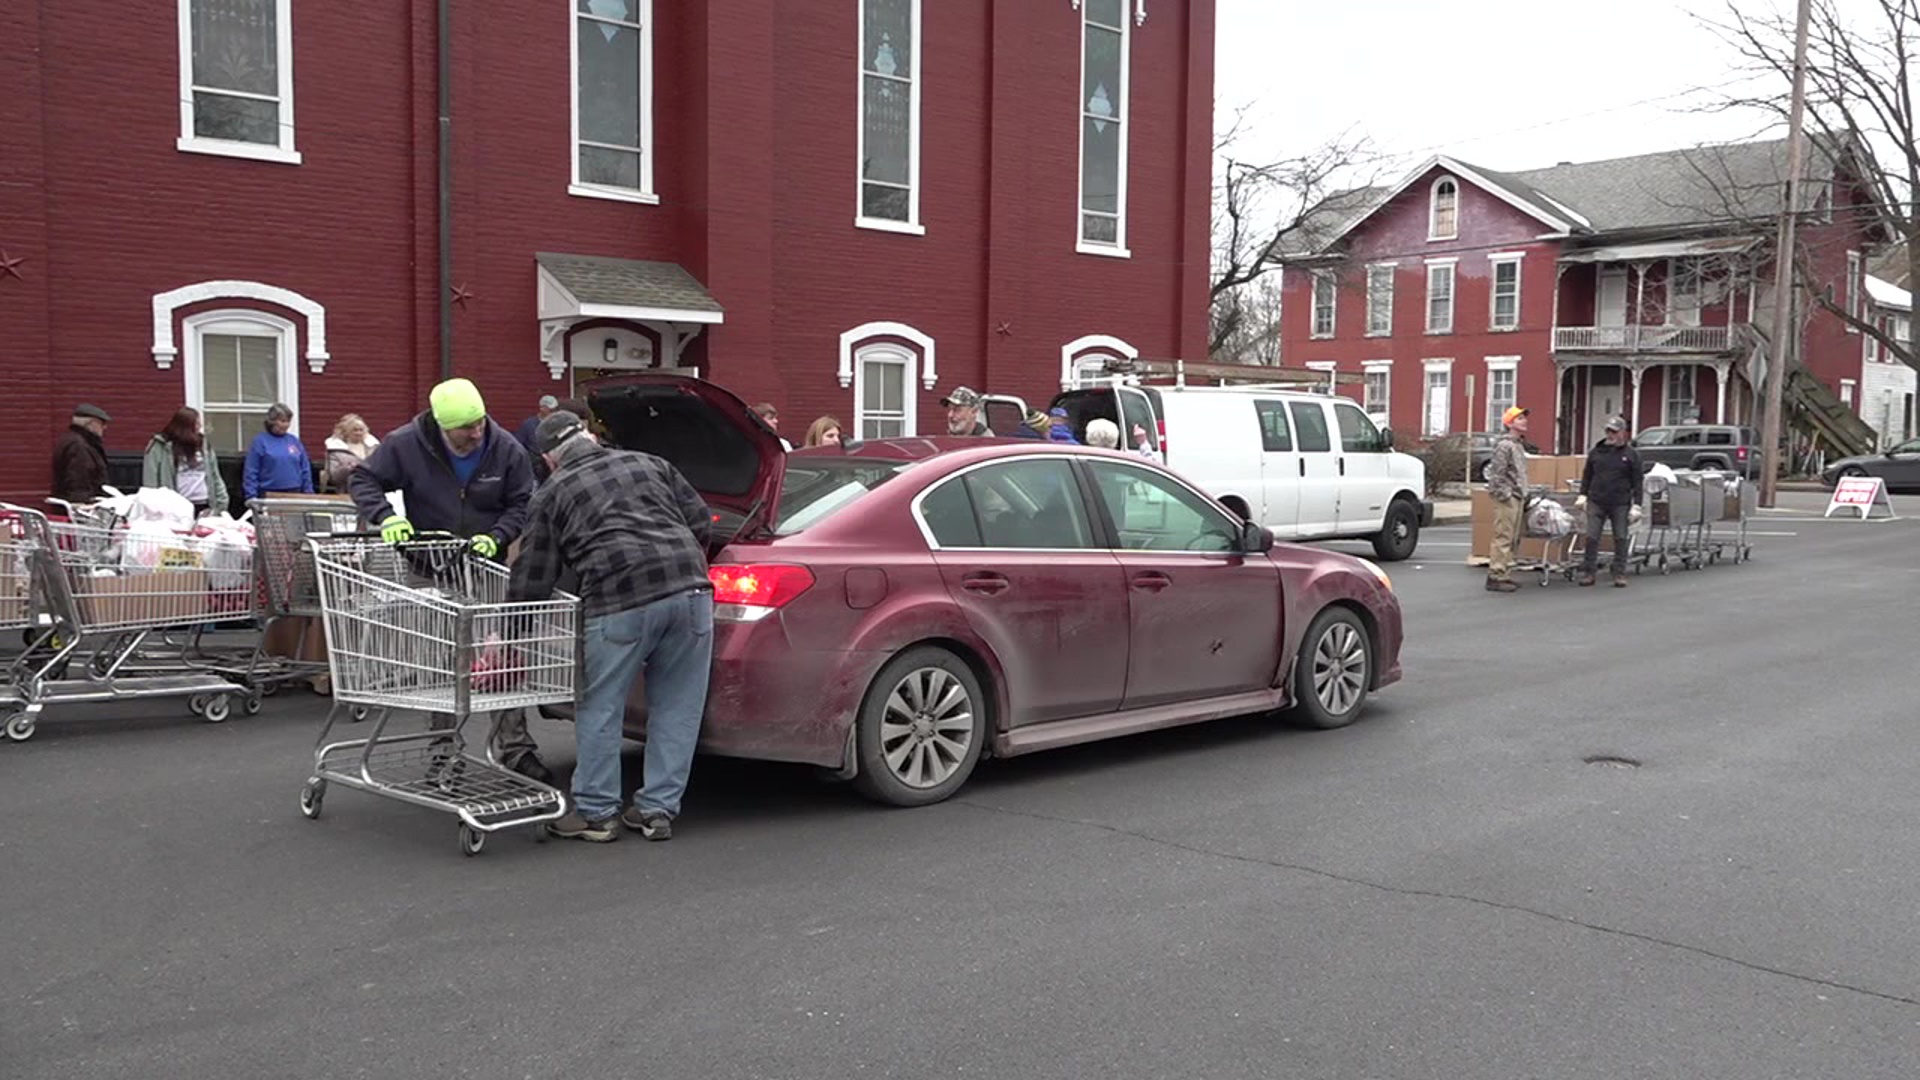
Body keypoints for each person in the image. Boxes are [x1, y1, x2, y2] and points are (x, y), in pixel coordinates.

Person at [510, 410, 714, 843]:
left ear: (549, 458)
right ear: (590, 437)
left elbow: (535, 573)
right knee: (677, 708)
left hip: (619, 601)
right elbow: (699, 521)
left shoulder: (552, 492)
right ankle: (657, 810)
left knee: (600, 706)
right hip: (691, 594)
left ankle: (597, 813)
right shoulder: (651, 463)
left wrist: (513, 630)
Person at [347, 377, 548, 781]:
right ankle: (444, 750)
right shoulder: (405, 444)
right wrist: (387, 518)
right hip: (429, 565)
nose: (477, 432)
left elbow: (523, 502)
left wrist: (497, 537)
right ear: (442, 425)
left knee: (500, 655)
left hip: (484, 565)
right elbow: (362, 479)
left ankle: (516, 747)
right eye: (466, 427)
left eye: (479, 421)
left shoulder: (504, 447)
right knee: (441, 660)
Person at [1577, 416, 1643, 588]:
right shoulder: (1596, 452)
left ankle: (1619, 572)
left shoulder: (1631, 455)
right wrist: (1583, 494)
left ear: (1623, 433)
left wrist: (1637, 505)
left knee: (1620, 537)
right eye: (1608, 431)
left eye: (1614, 431)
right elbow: (1587, 475)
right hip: (1597, 500)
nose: (1610, 435)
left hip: (1620, 502)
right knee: (1591, 536)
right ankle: (1589, 572)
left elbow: (1637, 482)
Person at [142, 407, 228, 517]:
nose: (199, 427)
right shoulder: (160, 447)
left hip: (204, 504)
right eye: (196, 424)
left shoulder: (203, 444)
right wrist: (154, 507)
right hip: (176, 506)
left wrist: (222, 500)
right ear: (185, 427)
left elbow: (214, 474)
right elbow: (150, 481)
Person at [1484, 405, 1532, 594]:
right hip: (1508, 497)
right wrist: (1505, 495)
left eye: (1524, 418)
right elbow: (1497, 474)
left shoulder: (1517, 445)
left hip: (1518, 495)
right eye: (1520, 419)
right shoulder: (1504, 446)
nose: (1524, 421)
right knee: (1503, 535)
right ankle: (1495, 575)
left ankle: (1505, 572)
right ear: (1510, 423)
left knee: (1512, 537)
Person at [242, 404, 315, 501]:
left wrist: (309, 493)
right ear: (272, 421)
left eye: (288, 421)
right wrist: (251, 496)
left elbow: (305, 468)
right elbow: (251, 471)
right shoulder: (260, 441)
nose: (286, 425)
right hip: (268, 493)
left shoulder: (294, 441)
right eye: (282, 421)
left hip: (295, 492)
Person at [52, 404, 112, 505]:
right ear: (91, 423)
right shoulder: (79, 446)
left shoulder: (75, 441)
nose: (104, 427)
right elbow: (78, 477)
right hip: (84, 506)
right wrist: (80, 504)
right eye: (102, 423)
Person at [323, 414, 381, 493]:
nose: (358, 433)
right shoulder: (336, 450)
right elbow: (334, 477)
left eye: (361, 430)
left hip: (372, 490)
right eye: (355, 430)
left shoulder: (374, 447)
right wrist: (347, 468)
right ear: (346, 431)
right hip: (348, 491)